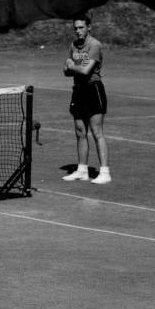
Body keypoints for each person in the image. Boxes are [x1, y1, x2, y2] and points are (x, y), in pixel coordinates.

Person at [62, 15, 110, 184]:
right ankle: (82, 170)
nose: (78, 31)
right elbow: (66, 71)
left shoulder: (94, 45)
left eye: (81, 27)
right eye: (76, 28)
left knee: (97, 132)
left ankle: (104, 172)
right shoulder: (73, 45)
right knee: (80, 131)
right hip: (78, 90)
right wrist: (69, 67)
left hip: (93, 90)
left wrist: (71, 65)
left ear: (89, 27)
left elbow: (85, 71)